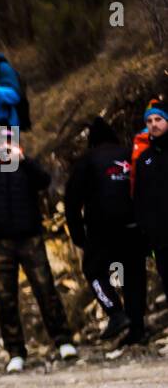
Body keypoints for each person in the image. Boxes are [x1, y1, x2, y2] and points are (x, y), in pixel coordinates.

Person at [0, 142, 77, 372]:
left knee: (46, 290)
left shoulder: (24, 166)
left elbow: (44, 181)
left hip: (31, 238)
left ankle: (64, 341)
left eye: (6, 147)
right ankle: (15, 352)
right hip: (0, 242)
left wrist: (24, 158)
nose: (2, 153)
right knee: (5, 298)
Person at [64, 117, 145, 345]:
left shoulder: (87, 160)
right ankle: (137, 329)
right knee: (134, 276)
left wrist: (79, 236)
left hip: (102, 228)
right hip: (134, 227)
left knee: (94, 271)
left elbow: (72, 202)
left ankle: (115, 312)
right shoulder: (131, 153)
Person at [131, 98, 168, 317]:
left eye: (159, 119)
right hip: (160, 237)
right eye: (150, 120)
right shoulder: (144, 159)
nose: (154, 124)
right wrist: (145, 230)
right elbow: (139, 197)